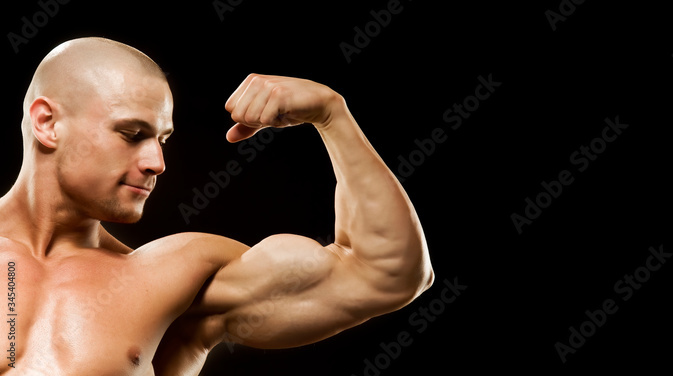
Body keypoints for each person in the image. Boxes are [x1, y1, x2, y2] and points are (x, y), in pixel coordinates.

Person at [0, 37, 434, 375]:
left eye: (161, 139)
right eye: (132, 134)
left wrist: (331, 115)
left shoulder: (172, 280)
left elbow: (388, 275)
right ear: (47, 123)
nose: (157, 163)